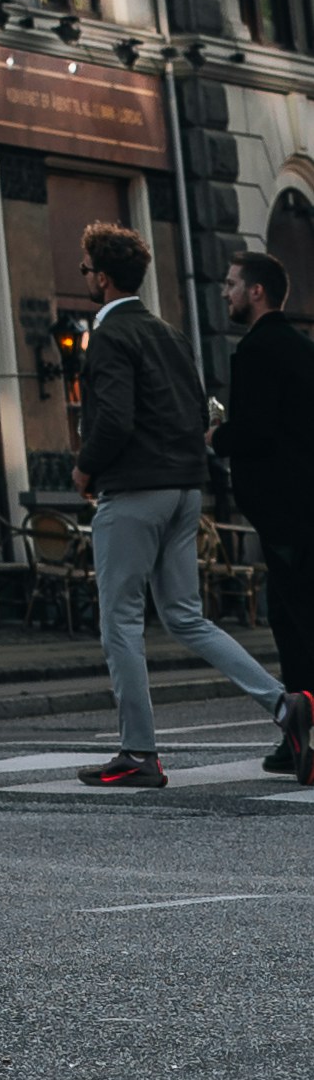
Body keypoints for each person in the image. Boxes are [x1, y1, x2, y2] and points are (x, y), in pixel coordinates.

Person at [75, 219, 285, 790]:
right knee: (186, 617)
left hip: (134, 490)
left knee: (120, 621)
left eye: (86, 269)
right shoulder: (171, 334)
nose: (84, 277)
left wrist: (86, 465)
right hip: (184, 487)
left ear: (104, 278)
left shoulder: (111, 337)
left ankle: (139, 754)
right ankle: (286, 707)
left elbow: (113, 418)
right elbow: (197, 411)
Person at [213, 247, 314, 779]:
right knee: (293, 619)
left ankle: (299, 739)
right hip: (303, 508)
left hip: (285, 514)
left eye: (232, 284)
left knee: (294, 624)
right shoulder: (302, 347)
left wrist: (217, 436)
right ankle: (296, 740)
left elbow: (255, 431)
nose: (225, 292)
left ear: (256, 292)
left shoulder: (257, 350)